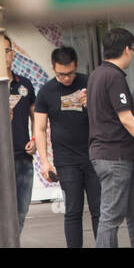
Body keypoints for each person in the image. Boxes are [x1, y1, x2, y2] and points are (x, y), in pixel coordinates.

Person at [88, 27, 134, 248]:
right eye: (133, 49)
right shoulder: (114, 77)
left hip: (115, 156)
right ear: (127, 49)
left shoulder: (97, 74)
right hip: (114, 157)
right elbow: (127, 118)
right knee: (111, 217)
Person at [34, 46, 101, 247]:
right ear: (53, 68)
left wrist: (91, 102)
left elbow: (107, 116)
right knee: (73, 211)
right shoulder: (46, 91)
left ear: (76, 66)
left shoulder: (89, 82)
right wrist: (44, 162)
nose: (66, 78)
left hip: (93, 155)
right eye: (61, 74)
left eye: (70, 73)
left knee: (99, 210)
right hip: (66, 161)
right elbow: (39, 128)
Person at [4, 39, 37, 234]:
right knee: (2, 213)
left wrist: (34, 140)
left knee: (21, 210)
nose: (4, 55)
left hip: (24, 157)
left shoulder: (24, 84)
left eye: (7, 50)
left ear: (13, 53)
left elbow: (35, 117)